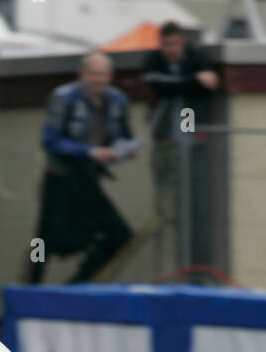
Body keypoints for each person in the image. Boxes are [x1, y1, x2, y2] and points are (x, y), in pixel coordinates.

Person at [29, 52, 139, 285]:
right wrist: (88, 151)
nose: (97, 80)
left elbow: (124, 135)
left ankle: (79, 284)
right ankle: (31, 286)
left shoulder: (117, 101)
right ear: (83, 74)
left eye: (102, 75)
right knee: (44, 238)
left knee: (119, 235)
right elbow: (50, 140)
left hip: (89, 178)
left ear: (110, 77)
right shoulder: (65, 97)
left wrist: (125, 150)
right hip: (62, 176)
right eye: (93, 74)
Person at [141, 22, 218, 268]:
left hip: (192, 146)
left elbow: (210, 85)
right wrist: (193, 80)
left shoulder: (197, 58)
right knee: (168, 210)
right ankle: (168, 266)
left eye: (174, 44)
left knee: (191, 209)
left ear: (182, 42)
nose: (170, 49)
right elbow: (160, 85)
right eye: (165, 44)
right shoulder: (153, 61)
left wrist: (188, 81)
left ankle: (188, 265)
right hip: (164, 143)